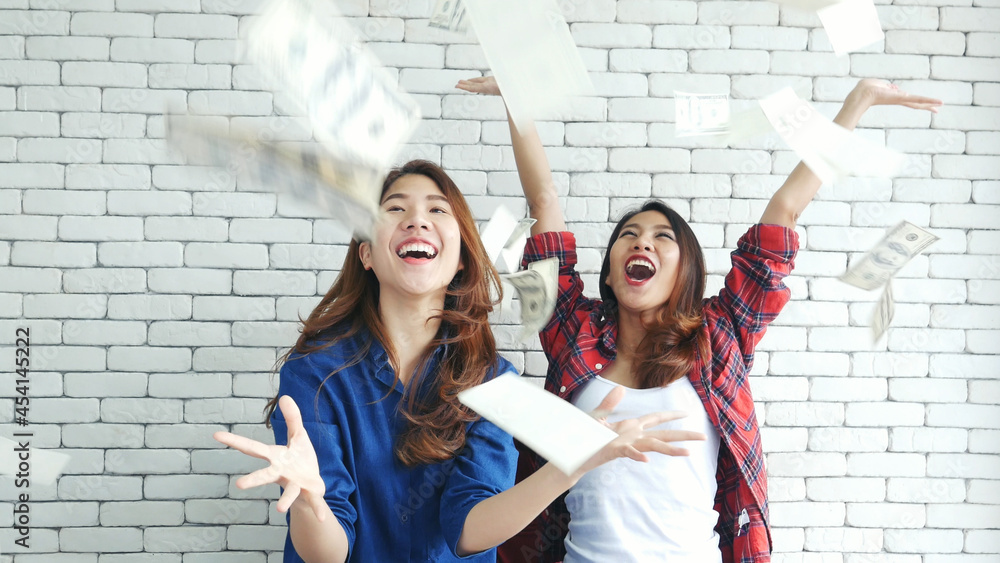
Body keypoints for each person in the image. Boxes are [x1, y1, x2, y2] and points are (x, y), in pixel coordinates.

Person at [454, 76, 942, 563]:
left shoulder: (718, 337)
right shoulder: (573, 333)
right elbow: (543, 201)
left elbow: (786, 211)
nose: (642, 242)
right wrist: (517, 98)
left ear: (685, 269)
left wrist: (856, 104)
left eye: (662, 237)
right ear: (610, 272)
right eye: (629, 234)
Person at [213, 159, 706, 563]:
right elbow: (329, 553)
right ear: (367, 255)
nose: (417, 219)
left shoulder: (494, 381)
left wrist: (569, 466)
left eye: (436, 209)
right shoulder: (314, 372)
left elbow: (468, 531)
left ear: (462, 259)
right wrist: (310, 500)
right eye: (395, 208)